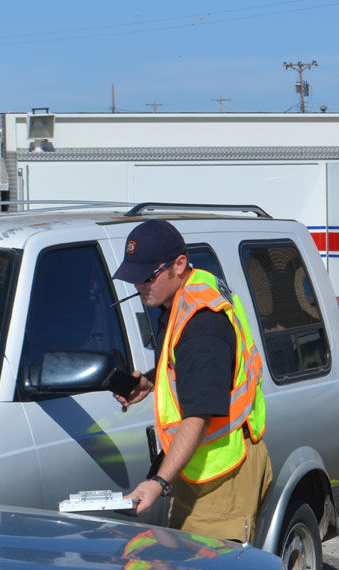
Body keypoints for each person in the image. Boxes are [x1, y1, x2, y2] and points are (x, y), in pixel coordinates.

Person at [114, 220, 271, 544]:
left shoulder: (202, 324)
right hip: (209, 464)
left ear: (179, 265)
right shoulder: (192, 291)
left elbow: (198, 416)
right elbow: (188, 363)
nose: (140, 285)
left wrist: (158, 482)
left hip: (222, 471)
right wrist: (150, 381)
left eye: (148, 276)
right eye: (134, 277)